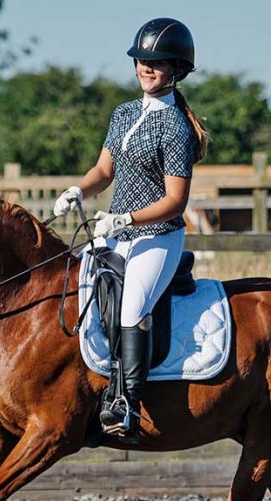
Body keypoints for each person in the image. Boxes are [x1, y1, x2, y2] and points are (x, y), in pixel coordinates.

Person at [52, 17, 210, 441]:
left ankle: (127, 402)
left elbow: (176, 201)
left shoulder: (176, 127)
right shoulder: (124, 113)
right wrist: (77, 191)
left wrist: (127, 219)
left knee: (132, 306)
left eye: (156, 62)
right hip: (116, 232)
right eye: (141, 60)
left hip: (158, 237)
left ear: (176, 69)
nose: (146, 67)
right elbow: (104, 171)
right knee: (78, 289)